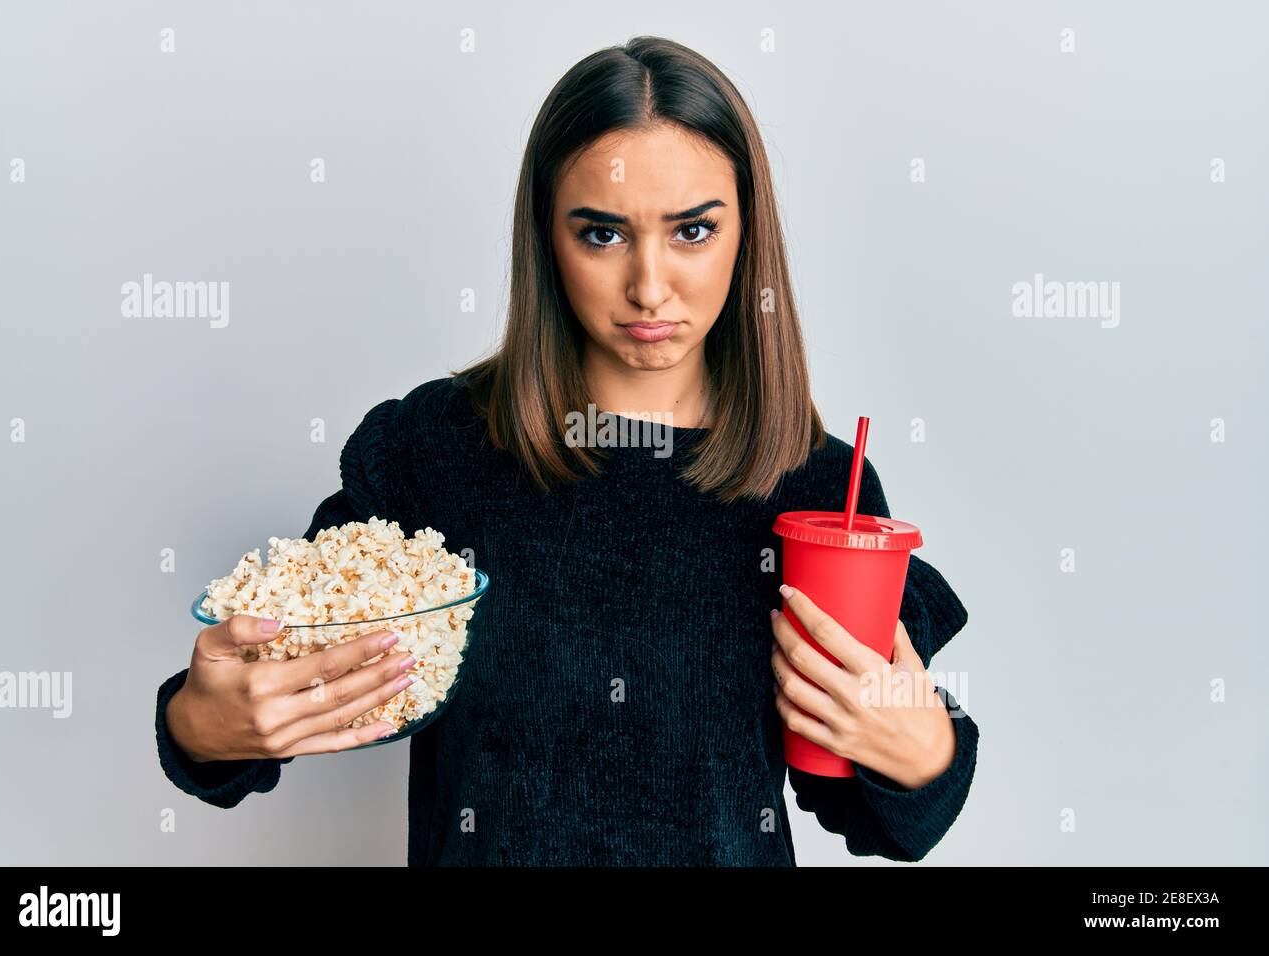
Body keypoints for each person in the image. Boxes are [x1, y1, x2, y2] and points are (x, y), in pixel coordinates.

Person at [157, 35, 978, 866]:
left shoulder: (819, 491)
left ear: (747, 232)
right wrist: (202, 723)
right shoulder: (433, 452)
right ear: (547, 239)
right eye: (603, 235)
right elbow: (257, 704)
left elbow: (873, 815)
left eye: (693, 230)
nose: (650, 287)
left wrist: (924, 756)